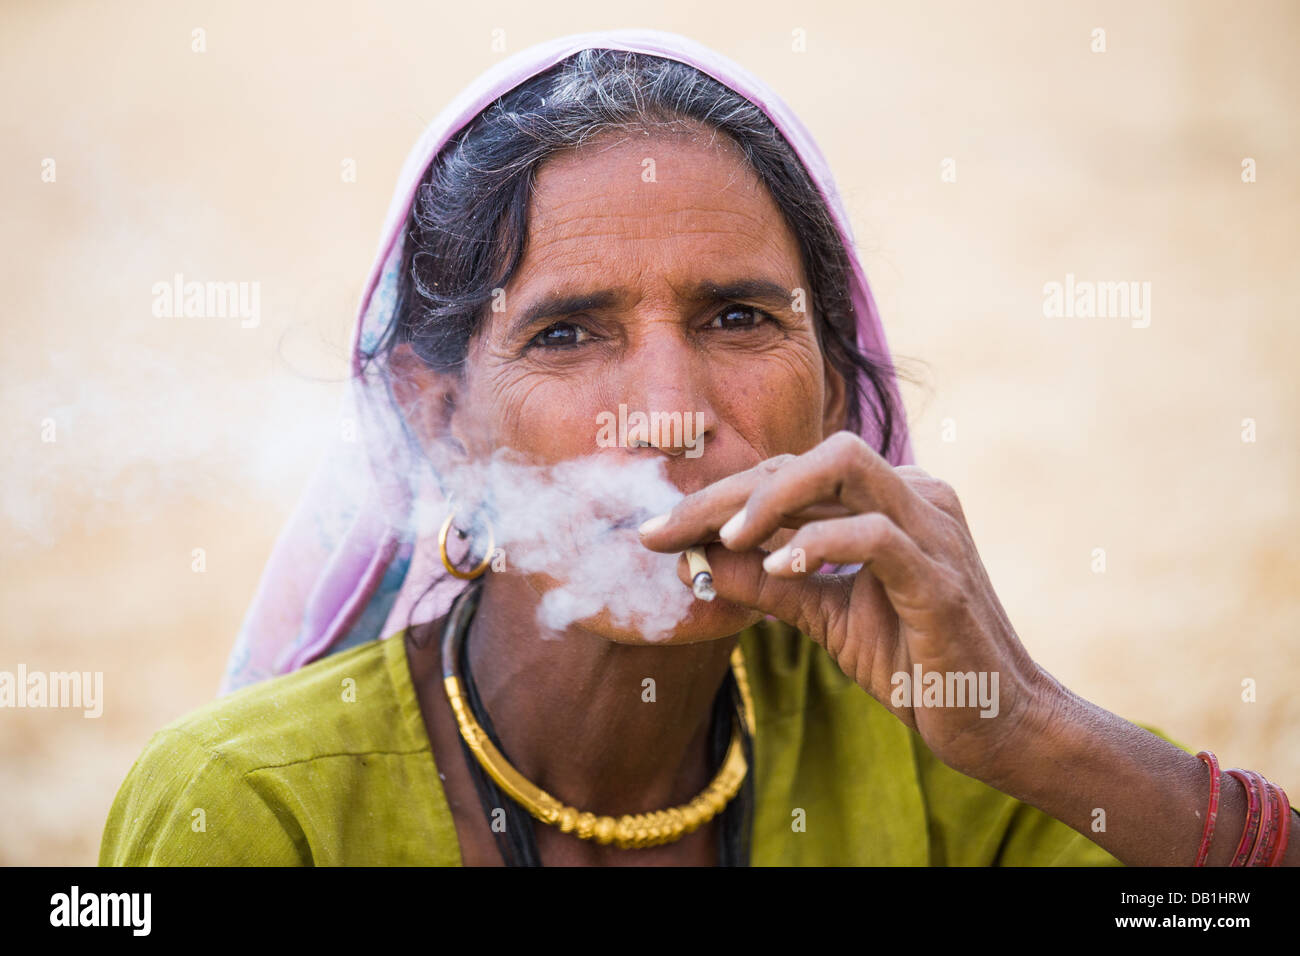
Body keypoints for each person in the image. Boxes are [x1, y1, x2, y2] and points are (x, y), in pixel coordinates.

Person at [99, 29, 1294, 867]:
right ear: (435, 414)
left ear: (833, 391)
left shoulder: (937, 751)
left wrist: (1028, 723)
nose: (671, 411)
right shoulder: (254, 807)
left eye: (738, 317)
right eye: (567, 332)